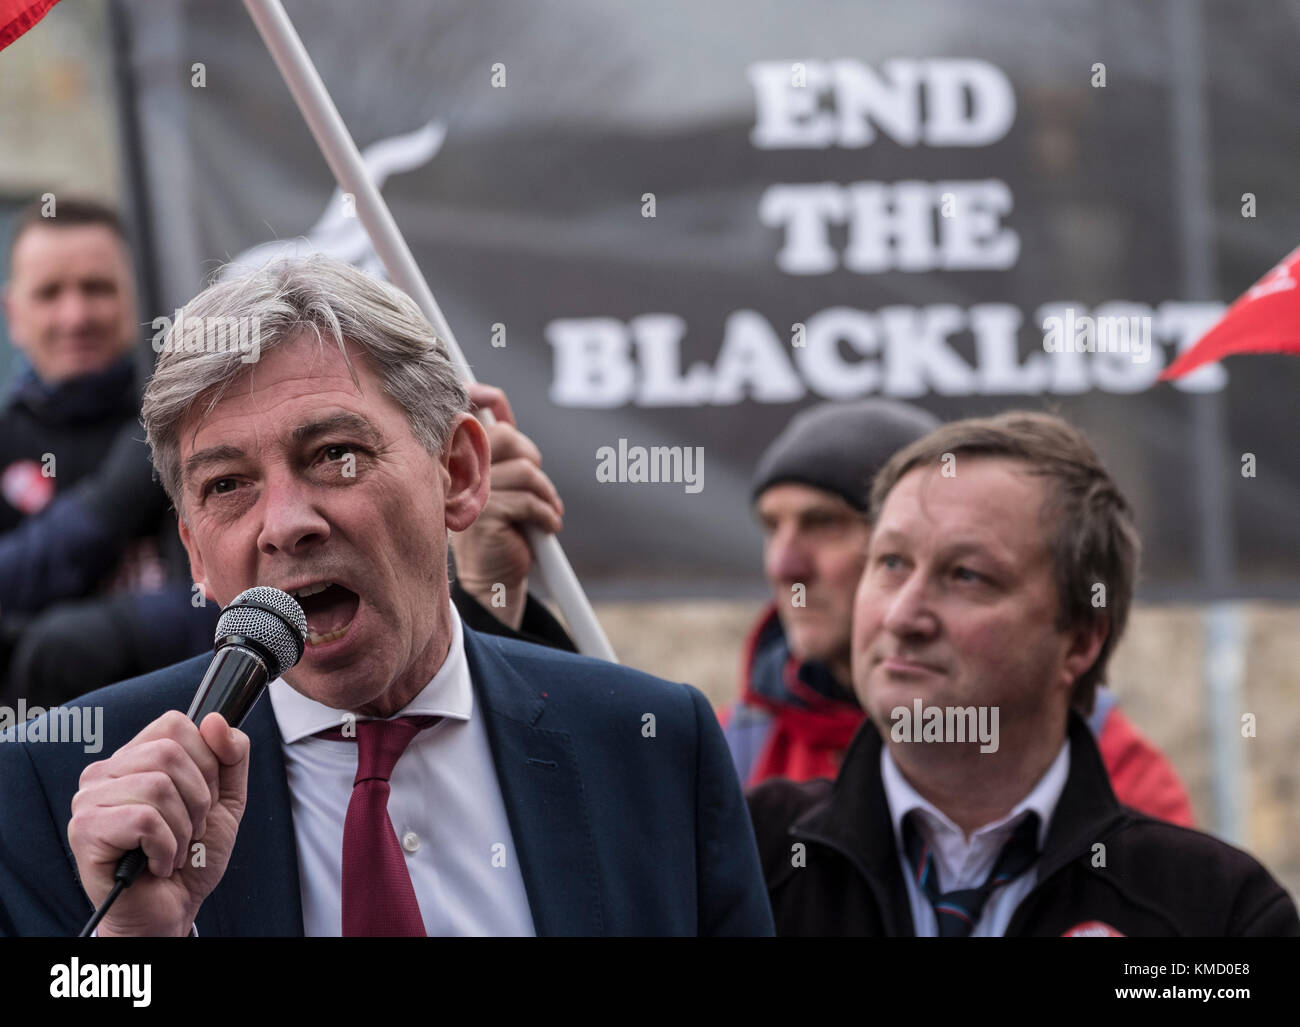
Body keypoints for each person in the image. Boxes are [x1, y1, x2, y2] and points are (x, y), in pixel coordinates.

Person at [0, 255, 773, 937]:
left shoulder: (655, 747)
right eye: (228, 485)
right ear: (195, 549)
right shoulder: (66, 786)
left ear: (459, 472)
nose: (286, 524)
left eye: (336, 454)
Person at [747, 411, 1299, 936]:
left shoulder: (1217, 912)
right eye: (891, 562)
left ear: (1080, 641)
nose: (901, 615)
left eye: (966, 575)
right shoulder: (738, 856)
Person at [725, 399, 1197, 828]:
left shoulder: (1112, 770)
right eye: (771, 527)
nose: (784, 565)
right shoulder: (733, 757)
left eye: (823, 522)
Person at [0, 197, 218, 701]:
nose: (75, 315)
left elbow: (230, 599)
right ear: (13, 313)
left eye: (97, 288)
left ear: (134, 295)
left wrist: (104, 633)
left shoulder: (198, 419)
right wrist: (107, 505)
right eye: (50, 293)